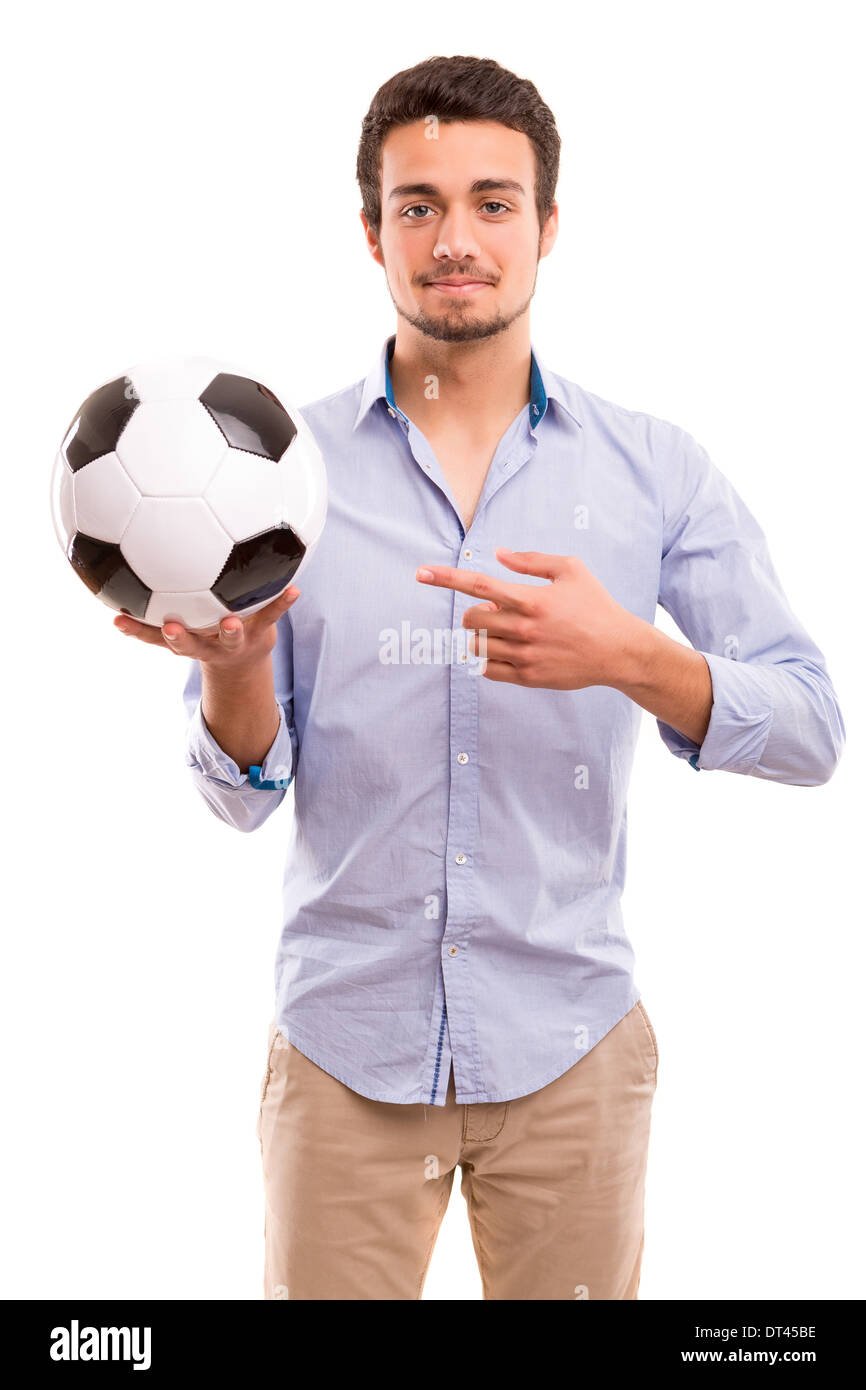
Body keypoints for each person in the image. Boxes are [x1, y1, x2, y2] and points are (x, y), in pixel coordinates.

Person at [116, 54, 845, 1300]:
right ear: (372, 232)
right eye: (418, 205)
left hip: (570, 1053)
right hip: (345, 1056)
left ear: (547, 227)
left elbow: (812, 728)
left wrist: (627, 657)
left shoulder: (653, 468)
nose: (455, 239)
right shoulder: (274, 476)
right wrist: (237, 671)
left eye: (493, 203)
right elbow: (238, 798)